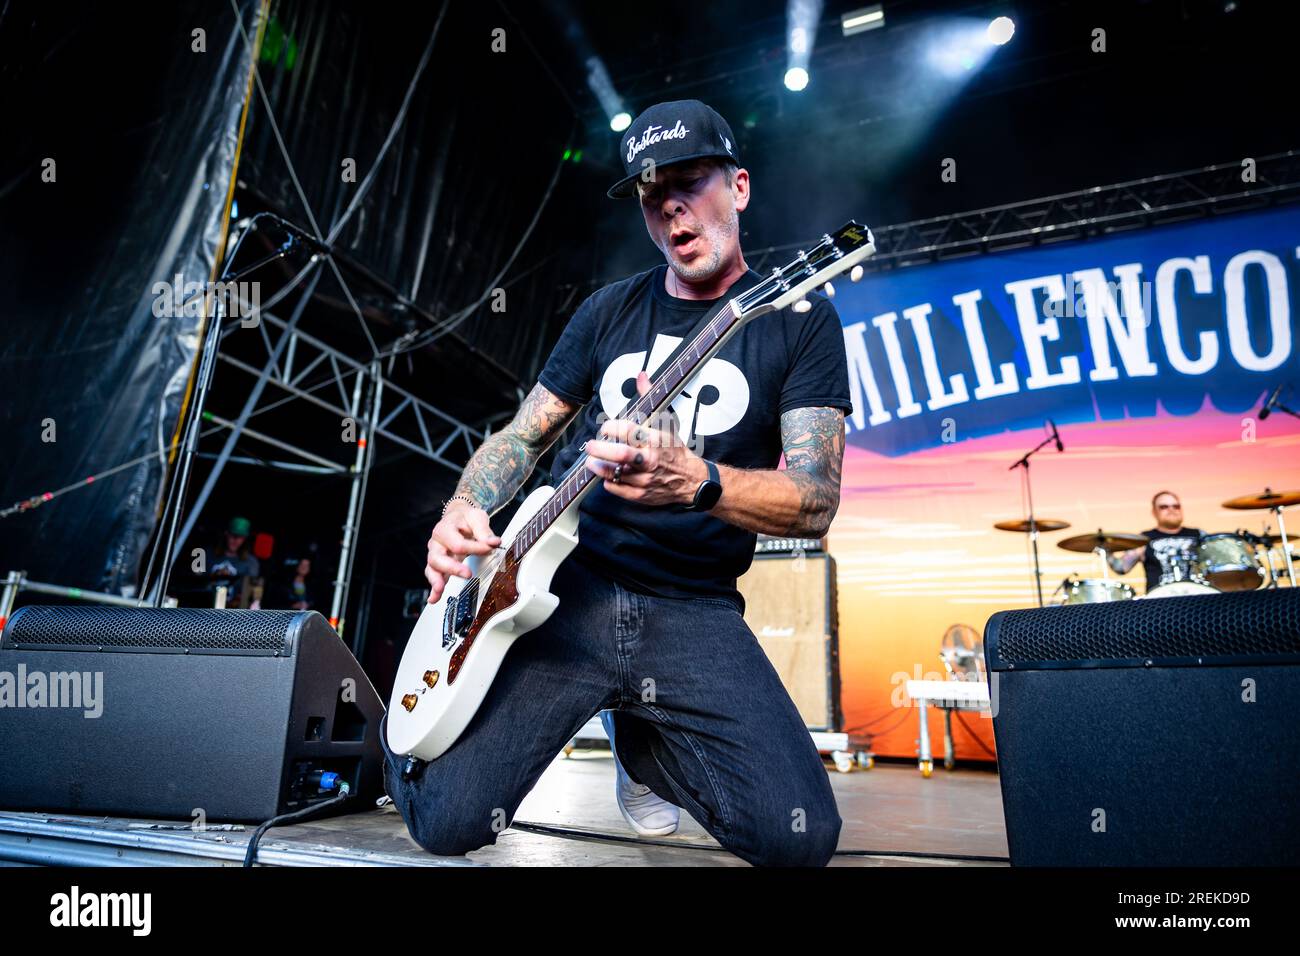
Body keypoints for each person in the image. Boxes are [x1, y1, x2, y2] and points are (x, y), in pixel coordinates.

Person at [384, 100, 850, 866]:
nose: (668, 203)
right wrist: (463, 506)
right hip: (567, 594)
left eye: (690, 180)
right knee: (445, 823)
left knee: (799, 839)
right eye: (648, 189)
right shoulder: (608, 312)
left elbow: (815, 500)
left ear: (738, 186)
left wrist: (698, 483)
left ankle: (644, 743)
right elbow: (523, 434)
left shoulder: (798, 322)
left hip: (693, 607)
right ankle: (397, 737)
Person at [1109, 491, 1203, 593]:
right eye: (1164, 507)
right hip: (1159, 600)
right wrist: (1103, 547)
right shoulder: (1144, 539)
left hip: (1198, 595)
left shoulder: (1200, 535)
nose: (1171, 510)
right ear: (1154, 512)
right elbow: (1121, 567)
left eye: (1176, 506)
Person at [207, 516, 261, 607]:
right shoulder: (206, 554)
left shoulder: (251, 562)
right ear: (226, 534)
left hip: (233, 613)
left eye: (240, 537)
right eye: (233, 535)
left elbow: (252, 593)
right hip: (204, 608)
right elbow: (195, 584)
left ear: (245, 539)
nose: (235, 540)